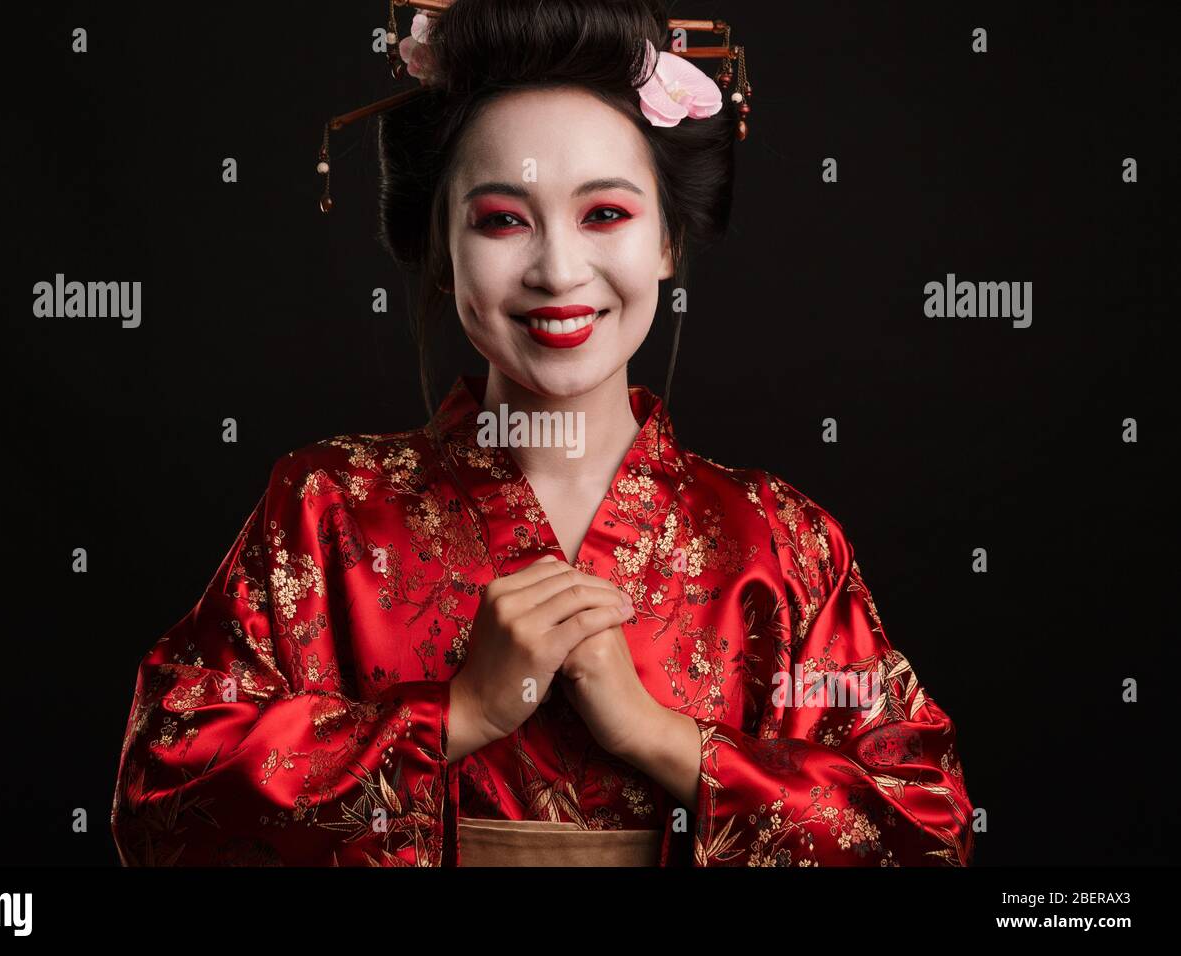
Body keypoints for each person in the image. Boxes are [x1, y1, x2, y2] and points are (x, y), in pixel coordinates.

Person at [111, 0, 975, 867]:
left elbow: (926, 833)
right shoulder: (326, 510)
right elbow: (164, 802)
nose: (559, 270)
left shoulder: (780, 543)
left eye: (605, 214)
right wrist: (455, 715)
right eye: (501, 219)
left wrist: (658, 737)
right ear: (442, 252)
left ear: (670, 239)